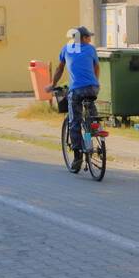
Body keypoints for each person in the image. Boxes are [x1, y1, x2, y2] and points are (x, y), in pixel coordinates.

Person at [45, 25, 100, 173]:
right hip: (93, 87)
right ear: (82, 38)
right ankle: (95, 126)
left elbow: (60, 69)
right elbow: (96, 67)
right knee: (90, 107)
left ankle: (77, 157)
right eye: (88, 37)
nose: (90, 40)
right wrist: (95, 82)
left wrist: (53, 84)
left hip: (76, 89)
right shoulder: (91, 49)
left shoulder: (66, 49)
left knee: (74, 121)